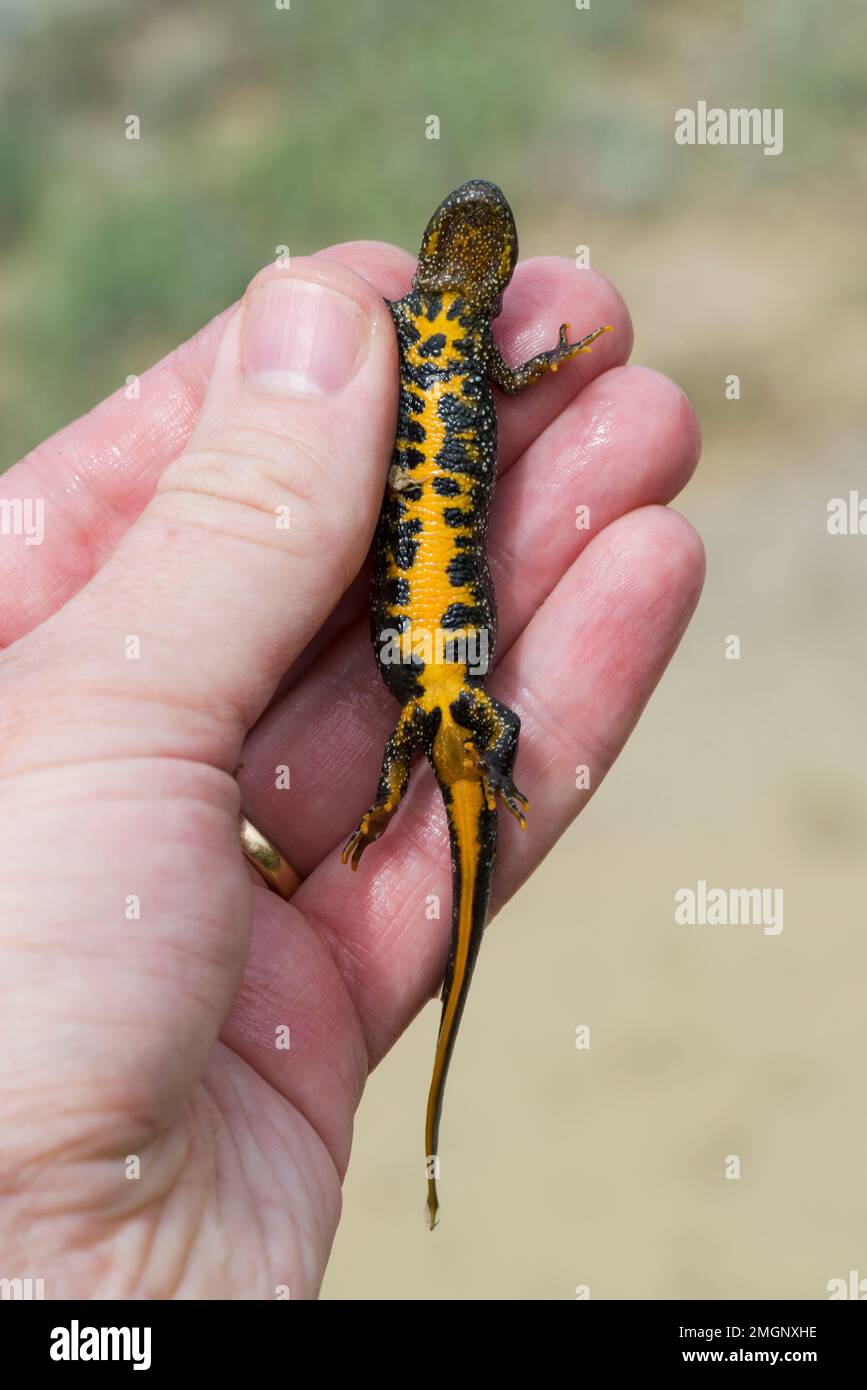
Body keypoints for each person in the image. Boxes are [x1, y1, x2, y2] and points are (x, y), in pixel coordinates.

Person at [0, 242, 703, 1297]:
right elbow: (509, 382)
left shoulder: (428, 328)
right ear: (475, 273)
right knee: (453, 737)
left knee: (450, 738)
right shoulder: (424, 329)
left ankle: (443, 801)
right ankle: (440, 799)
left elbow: (513, 381)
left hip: (428, 657)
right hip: (439, 643)